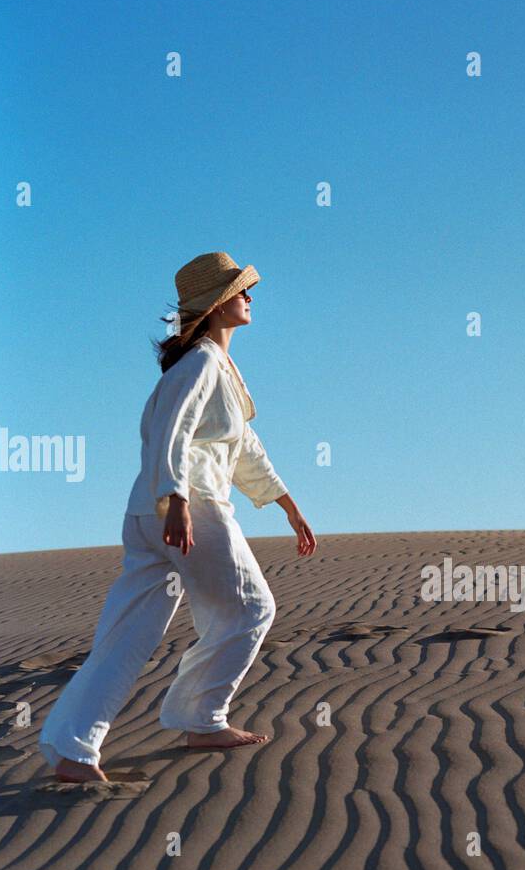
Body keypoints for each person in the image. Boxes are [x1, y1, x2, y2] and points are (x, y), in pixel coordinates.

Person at [37, 251, 316, 783]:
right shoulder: (202, 363)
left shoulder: (216, 366)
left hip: (148, 513)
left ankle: (72, 749)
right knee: (252, 608)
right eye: (240, 290)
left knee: (126, 636)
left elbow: (243, 446)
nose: (249, 296)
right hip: (190, 509)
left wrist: (287, 504)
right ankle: (202, 719)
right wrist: (178, 499)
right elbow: (174, 431)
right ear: (217, 305)